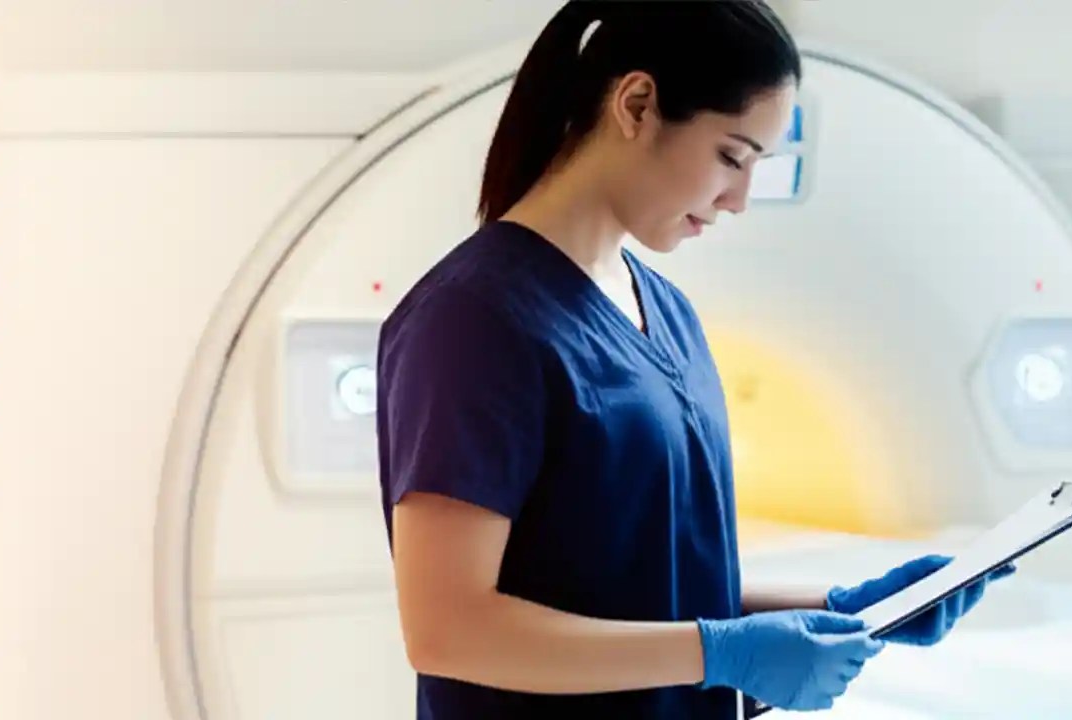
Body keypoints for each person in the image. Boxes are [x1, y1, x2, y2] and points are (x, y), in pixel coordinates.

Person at [375, 1, 1013, 718]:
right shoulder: (474, 320)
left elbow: (651, 587)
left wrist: (840, 608)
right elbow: (449, 631)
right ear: (636, 104)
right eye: (731, 157)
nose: (739, 199)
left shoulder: (667, 312)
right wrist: (721, 653)